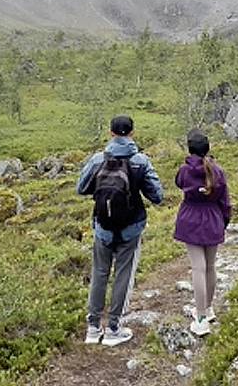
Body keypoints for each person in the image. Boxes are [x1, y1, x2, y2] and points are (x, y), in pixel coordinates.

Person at [76, 114, 163, 346]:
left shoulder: (97, 160)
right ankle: (114, 328)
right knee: (123, 274)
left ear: (110, 133)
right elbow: (157, 195)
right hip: (131, 229)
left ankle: (93, 328)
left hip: (102, 228)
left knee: (99, 273)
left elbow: (81, 188)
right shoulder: (140, 161)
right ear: (132, 133)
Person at [173, 129, 231, 337]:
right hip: (213, 219)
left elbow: (179, 183)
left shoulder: (184, 170)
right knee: (210, 266)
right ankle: (208, 308)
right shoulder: (217, 171)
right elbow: (225, 200)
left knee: (198, 268)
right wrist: (223, 221)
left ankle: (200, 318)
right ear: (208, 149)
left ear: (189, 149)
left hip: (190, 219)